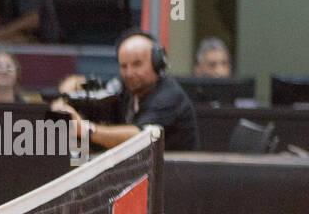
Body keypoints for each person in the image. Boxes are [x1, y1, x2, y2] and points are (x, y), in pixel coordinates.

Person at [52, 30, 199, 151]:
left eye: (137, 64)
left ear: (157, 63)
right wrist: (69, 92)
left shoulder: (169, 96)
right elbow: (94, 90)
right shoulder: (125, 87)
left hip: (175, 179)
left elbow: (139, 138)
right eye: (124, 66)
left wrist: (86, 129)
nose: (129, 73)